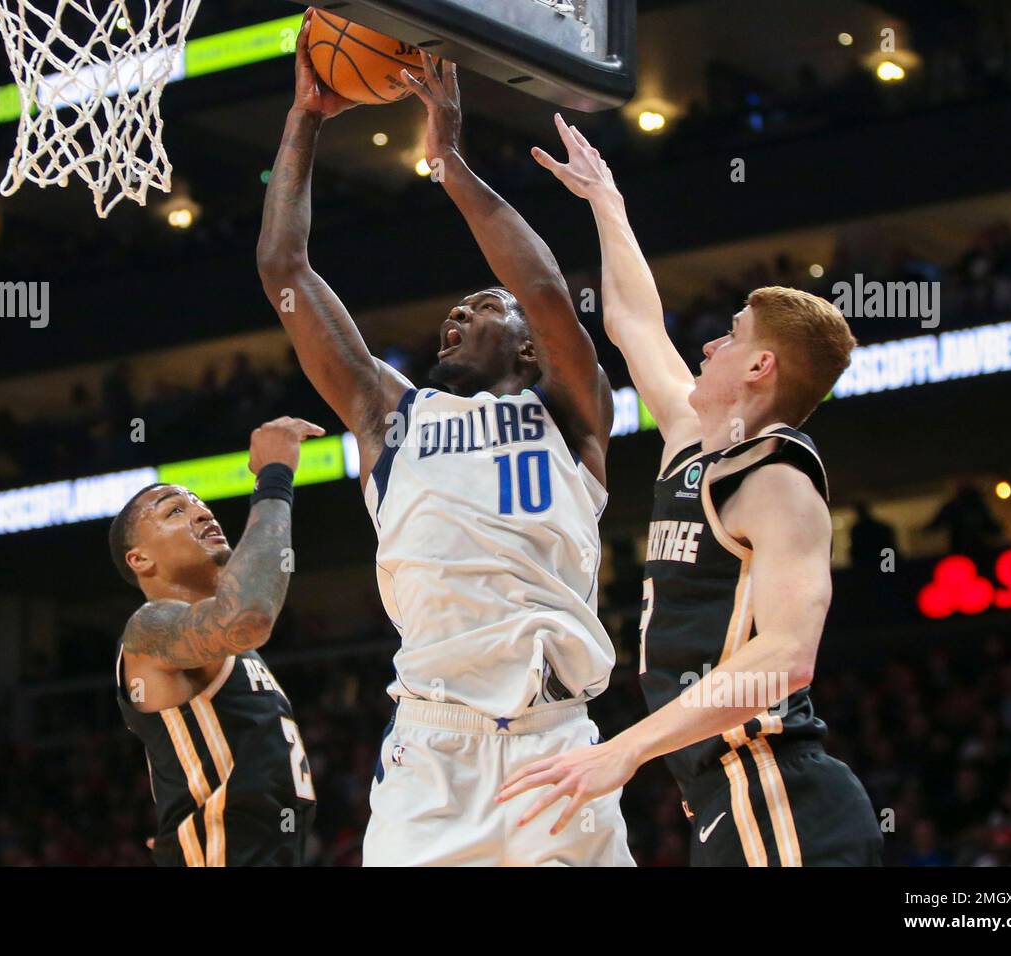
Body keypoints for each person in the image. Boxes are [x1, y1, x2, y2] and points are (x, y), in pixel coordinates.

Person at [254, 18, 632, 867]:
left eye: (480, 307)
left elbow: (541, 287)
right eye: (456, 309)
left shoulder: (573, 411)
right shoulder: (390, 414)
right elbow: (285, 268)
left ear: (529, 346)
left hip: (554, 738)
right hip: (433, 748)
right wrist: (306, 118)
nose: (457, 314)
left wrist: (448, 160)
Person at [500, 118, 882, 866]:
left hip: (775, 790)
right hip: (723, 798)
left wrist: (627, 750)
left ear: (760, 367)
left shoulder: (773, 475)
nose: (709, 344)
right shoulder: (691, 438)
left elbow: (787, 658)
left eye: (731, 335)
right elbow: (633, 321)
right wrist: (606, 201)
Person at [110, 416, 322, 865]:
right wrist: (275, 478)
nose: (202, 512)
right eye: (174, 511)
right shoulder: (148, 630)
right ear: (140, 559)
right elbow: (249, 615)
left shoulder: (226, 646)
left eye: (199, 504)